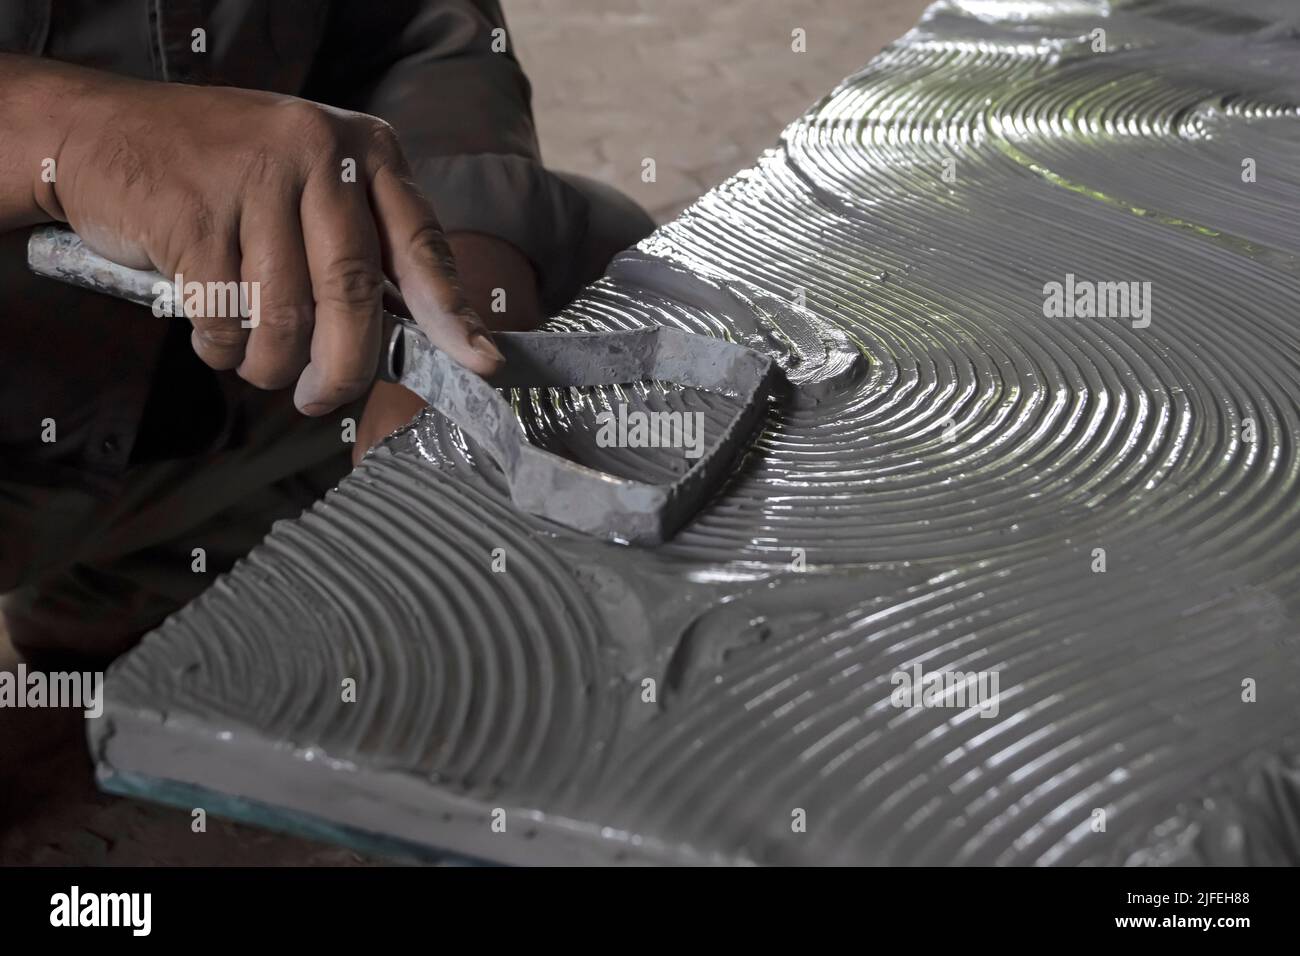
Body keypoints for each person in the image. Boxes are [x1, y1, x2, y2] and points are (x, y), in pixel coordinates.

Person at [0, 0, 655, 664]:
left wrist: (458, 283)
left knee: (592, 269)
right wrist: (55, 132)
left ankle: (129, 601)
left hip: (232, 376)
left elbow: (418, 30)